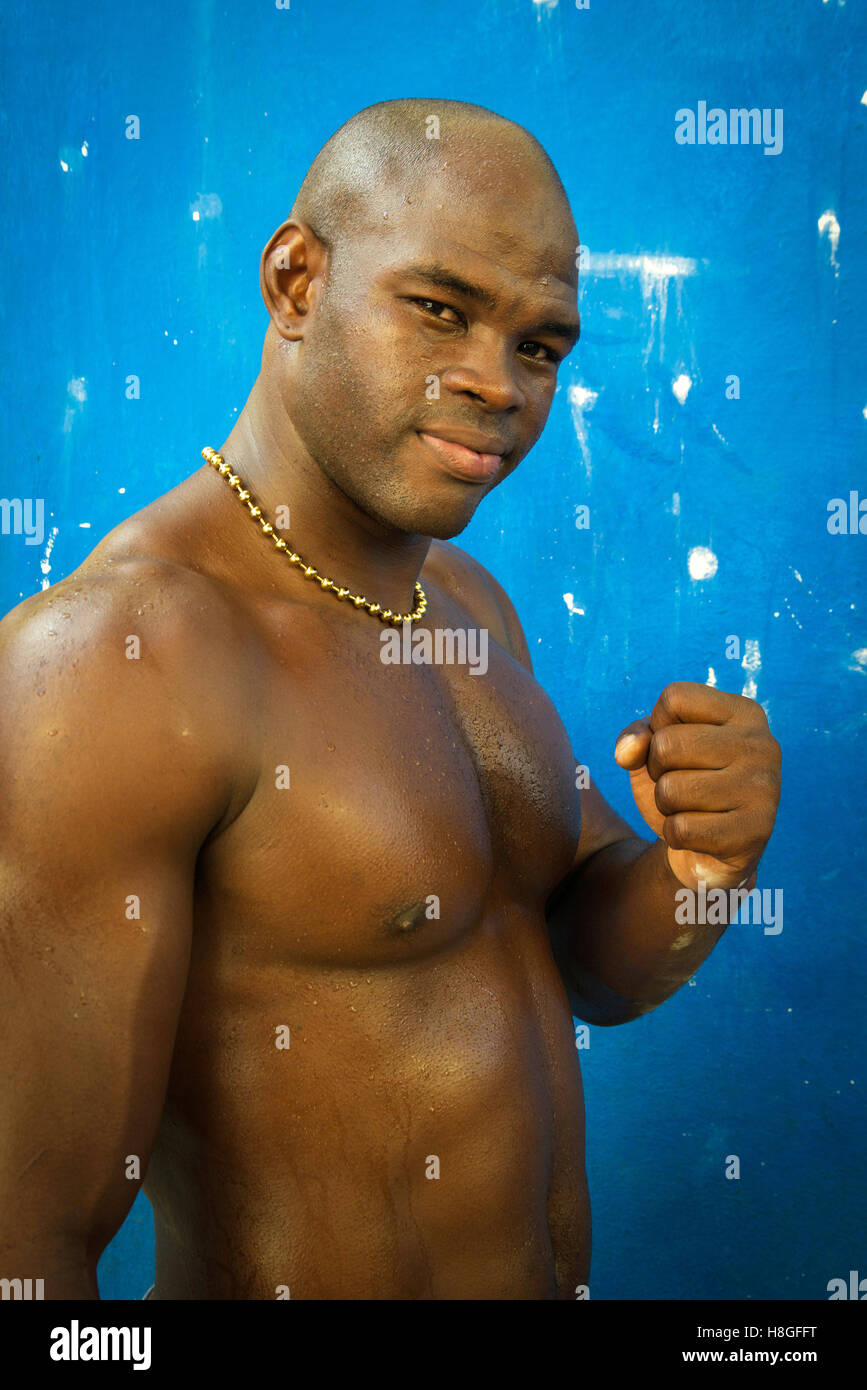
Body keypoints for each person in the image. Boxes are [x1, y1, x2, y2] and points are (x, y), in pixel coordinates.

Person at [0, 98, 781, 1300]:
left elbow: (582, 958)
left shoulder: (464, 606)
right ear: (297, 280)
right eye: (439, 310)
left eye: (539, 346)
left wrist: (701, 865)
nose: (498, 383)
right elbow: (25, 1239)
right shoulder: (116, 661)